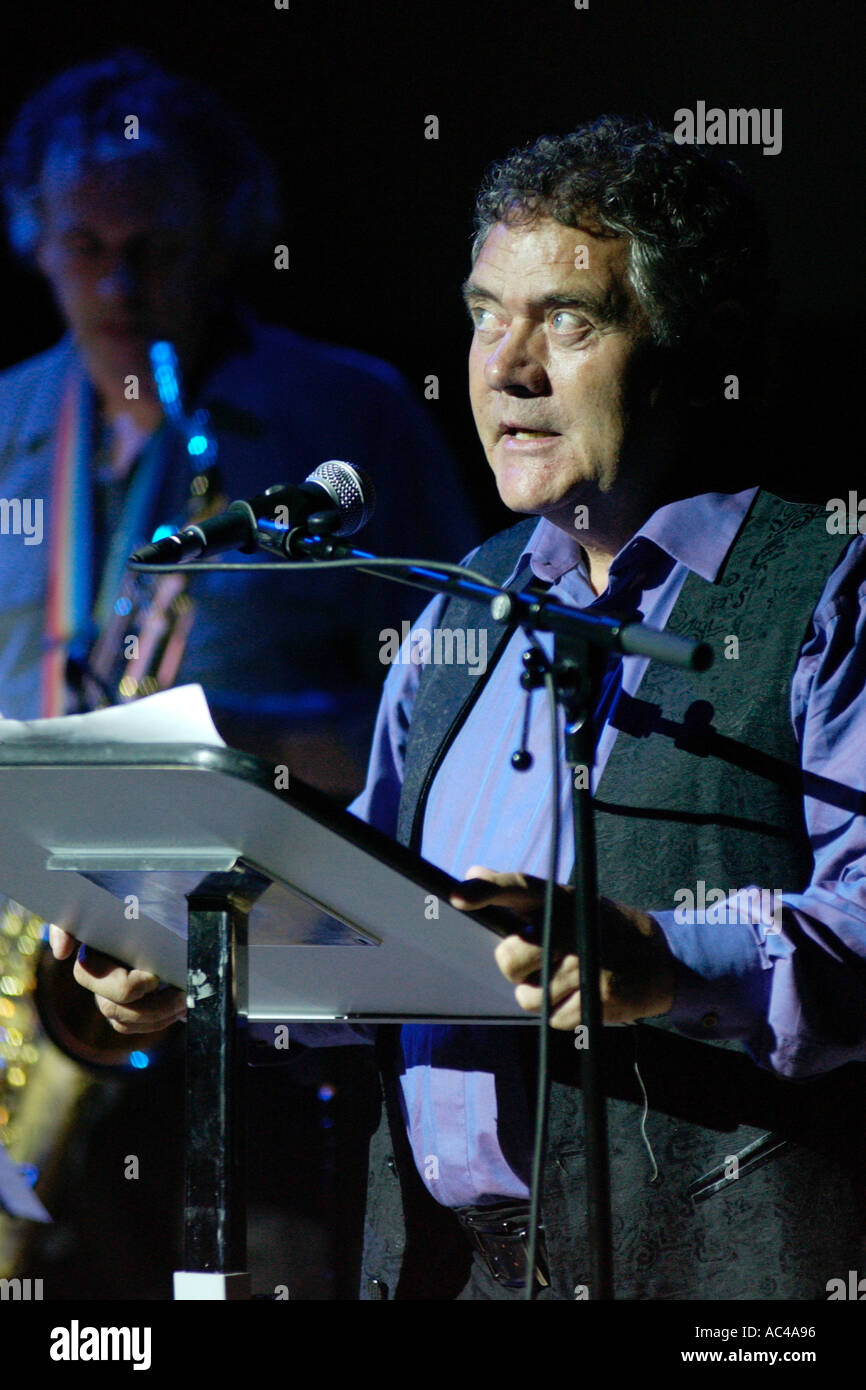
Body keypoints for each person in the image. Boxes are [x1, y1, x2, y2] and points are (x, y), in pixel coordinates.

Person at [52, 117, 866, 1301]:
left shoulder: (824, 587)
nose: (504, 366)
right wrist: (200, 969)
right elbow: (372, 944)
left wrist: (661, 955)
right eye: (486, 313)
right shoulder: (453, 607)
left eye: (567, 321)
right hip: (442, 1277)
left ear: (686, 346)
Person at [0, 51, 476, 1296]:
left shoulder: (349, 413)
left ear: (225, 234)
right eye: (83, 243)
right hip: (29, 987)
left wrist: (248, 749)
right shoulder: (2, 425)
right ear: (30, 236)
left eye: (154, 244)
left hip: (267, 987)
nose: (120, 280)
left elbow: (467, 699)